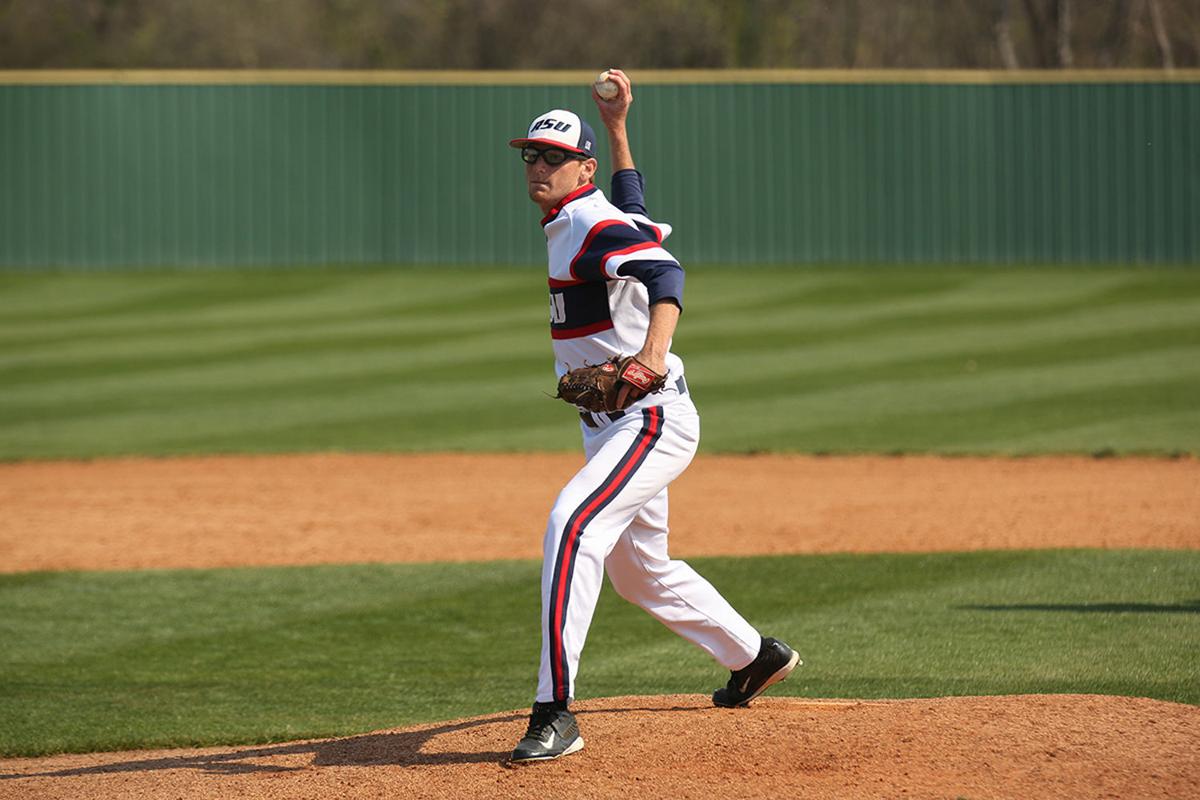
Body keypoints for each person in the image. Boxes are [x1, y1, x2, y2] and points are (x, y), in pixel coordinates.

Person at [507, 69, 800, 764]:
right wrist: (616, 127)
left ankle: (555, 712)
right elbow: (634, 203)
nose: (539, 167)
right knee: (640, 571)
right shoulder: (593, 212)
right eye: (531, 155)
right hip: (614, 427)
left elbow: (667, 275)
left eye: (554, 157)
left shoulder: (587, 221)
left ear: (578, 170)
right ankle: (755, 655)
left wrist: (651, 356)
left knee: (572, 523)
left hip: (651, 418)